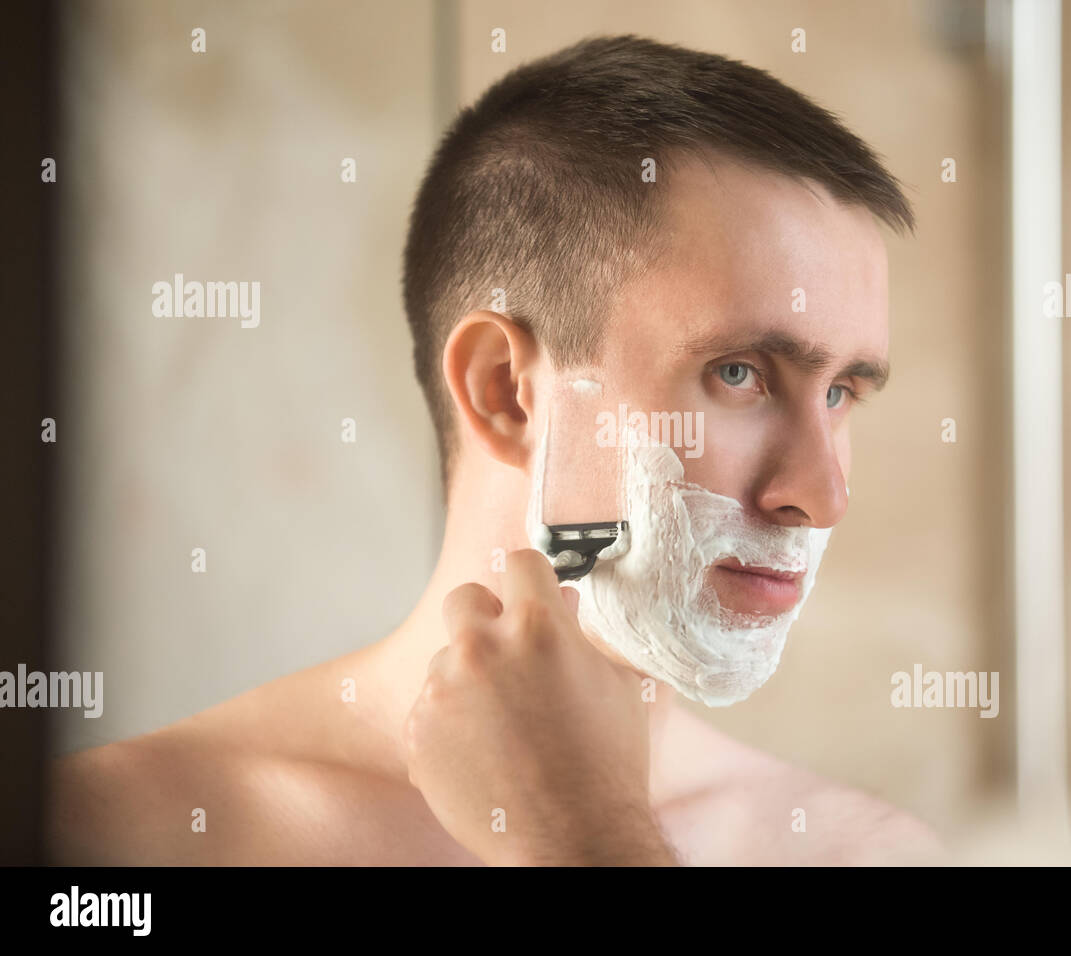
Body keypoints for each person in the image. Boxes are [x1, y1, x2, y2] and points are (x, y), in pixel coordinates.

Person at [47, 34, 945, 866]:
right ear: (505, 391)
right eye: (741, 374)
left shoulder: (864, 853)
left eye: (841, 392)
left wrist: (587, 837)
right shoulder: (114, 834)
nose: (821, 495)